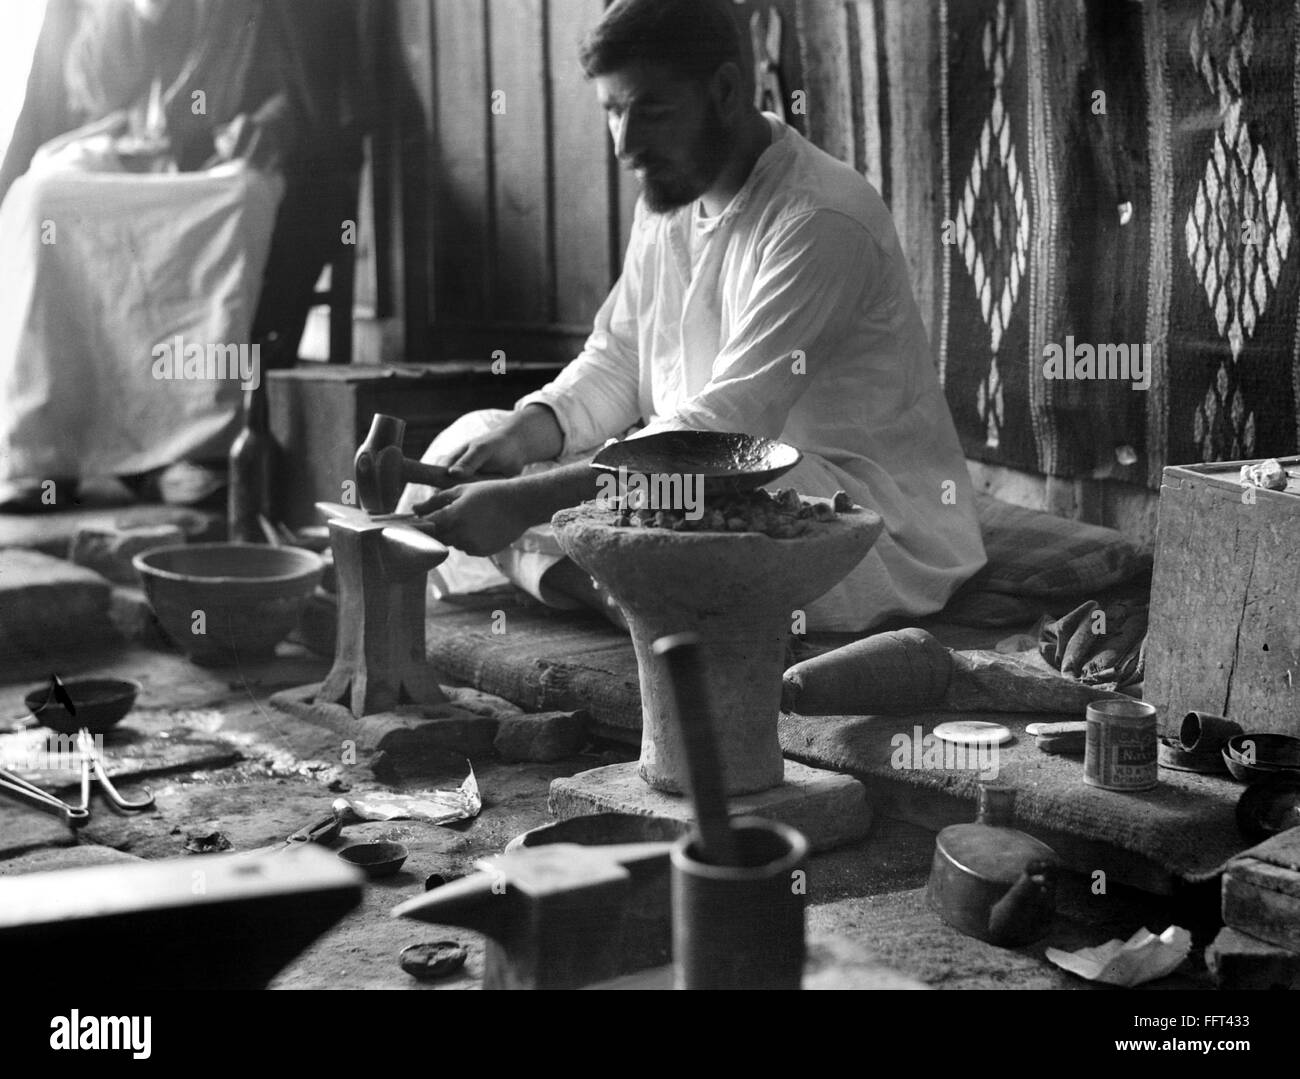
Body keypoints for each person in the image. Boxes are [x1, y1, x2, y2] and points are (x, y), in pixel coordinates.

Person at [402, 0, 986, 633]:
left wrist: (525, 499)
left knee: (693, 516)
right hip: (683, 471)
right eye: (612, 111)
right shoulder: (670, 191)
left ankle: (634, 598)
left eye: (651, 110)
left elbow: (722, 436)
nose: (626, 144)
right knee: (467, 441)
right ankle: (638, 602)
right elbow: (617, 358)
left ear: (727, 90)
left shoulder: (820, 218)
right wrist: (524, 435)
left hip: (838, 508)